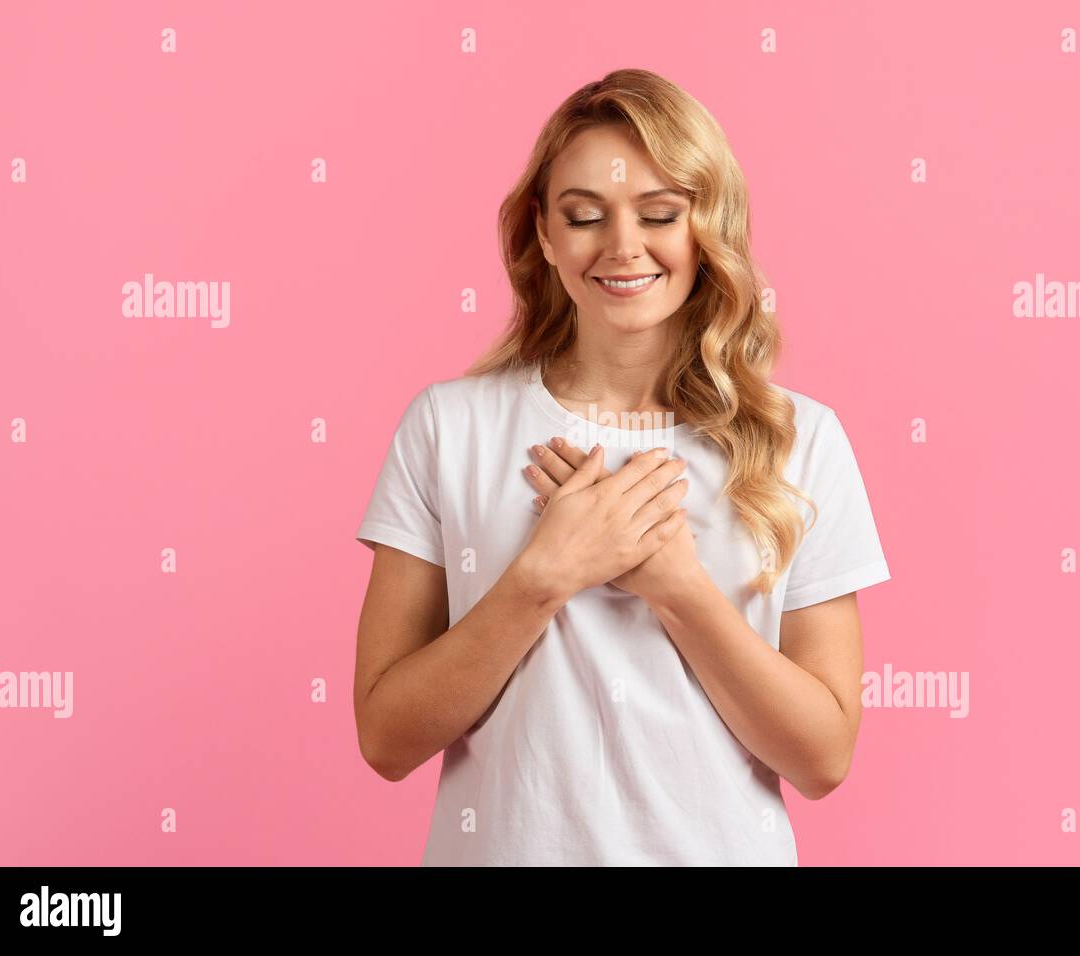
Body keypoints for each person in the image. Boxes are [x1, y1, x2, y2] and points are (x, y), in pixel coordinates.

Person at [352, 68, 891, 866]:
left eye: (661, 214)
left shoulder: (799, 440)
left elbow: (823, 758)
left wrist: (678, 587)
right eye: (583, 216)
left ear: (708, 227)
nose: (623, 248)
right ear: (542, 232)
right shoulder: (448, 427)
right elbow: (386, 737)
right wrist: (545, 574)